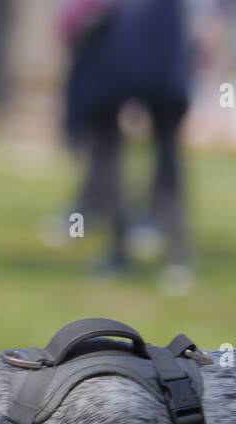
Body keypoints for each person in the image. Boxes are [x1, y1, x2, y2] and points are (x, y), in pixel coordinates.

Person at [60, 0, 194, 285]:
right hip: (155, 39)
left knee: (112, 152)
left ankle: (127, 251)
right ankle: (173, 256)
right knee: (160, 154)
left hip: (120, 38)